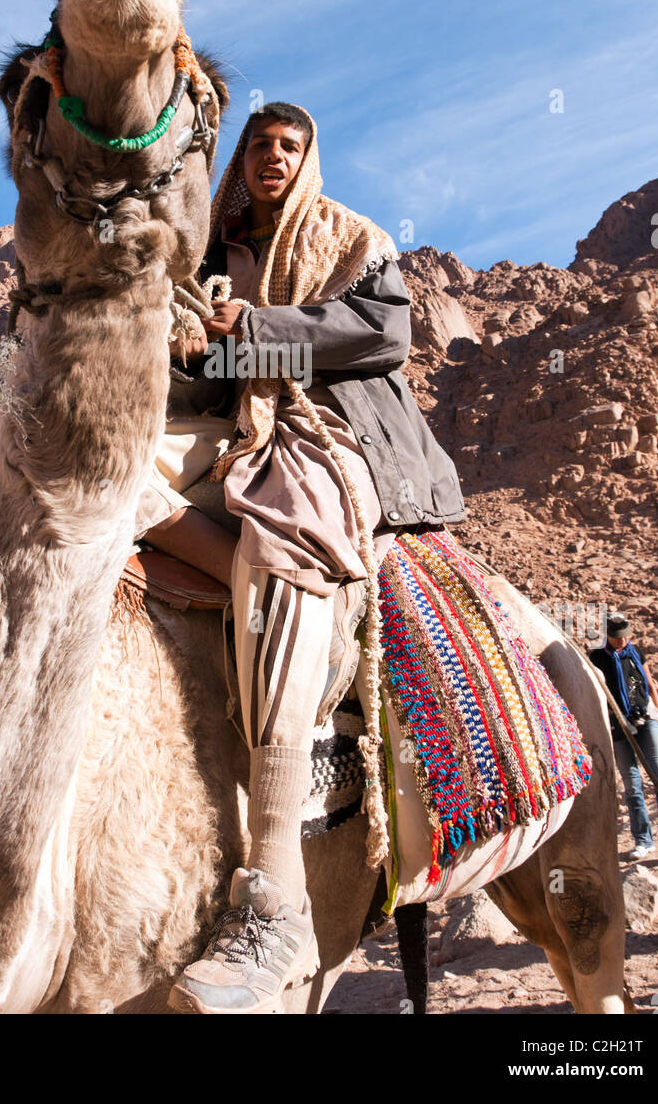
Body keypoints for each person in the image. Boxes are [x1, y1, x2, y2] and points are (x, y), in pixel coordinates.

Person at [133, 102, 466, 1014]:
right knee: (109, 474)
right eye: (260, 144)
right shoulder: (214, 261)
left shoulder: (354, 238)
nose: (272, 155)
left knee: (283, 531)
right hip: (241, 429)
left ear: (308, 160)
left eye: (290, 145)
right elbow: (209, 372)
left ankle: (274, 891)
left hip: (332, 438)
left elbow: (382, 336)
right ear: (240, 159)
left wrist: (259, 326)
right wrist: (191, 342)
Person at [589, 610, 658, 861]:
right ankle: (643, 840)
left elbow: (649, 684)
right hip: (617, 726)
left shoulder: (636, 652)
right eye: (616, 637)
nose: (621, 641)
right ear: (607, 635)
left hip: (647, 719)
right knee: (632, 786)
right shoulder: (597, 658)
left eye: (624, 636)